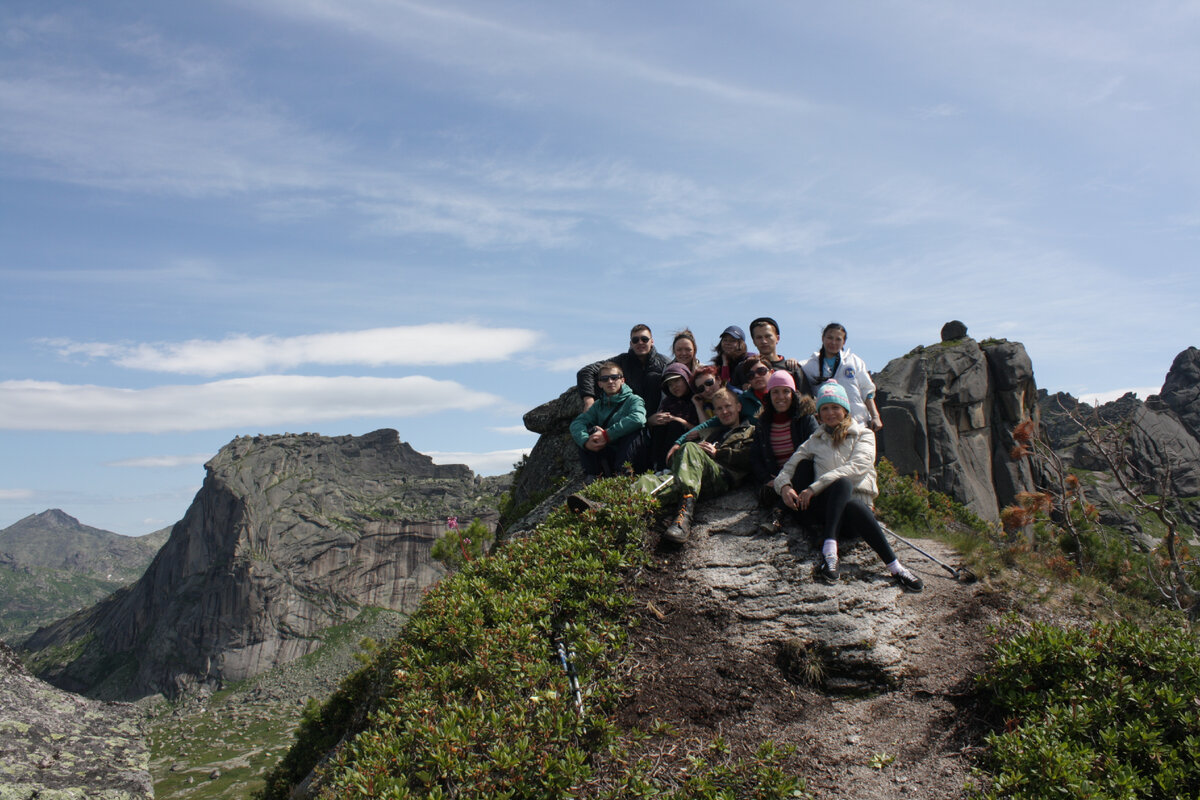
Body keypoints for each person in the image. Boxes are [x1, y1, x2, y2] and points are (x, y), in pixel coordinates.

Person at [772, 382, 923, 592]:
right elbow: (787, 469)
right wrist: (785, 487)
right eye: (824, 408)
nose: (830, 413)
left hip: (855, 516)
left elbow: (858, 467)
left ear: (845, 410)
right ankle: (830, 552)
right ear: (818, 414)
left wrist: (814, 488)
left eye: (835, 407)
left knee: (845, 487)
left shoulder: (864, 435)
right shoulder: (814, 441)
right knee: (807, 467)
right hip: (825, 511)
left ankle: (896, 567)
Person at [636, 388, 757, 545]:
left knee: (690, 447)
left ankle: (684, 516)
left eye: (728, 406)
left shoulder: (751, 431)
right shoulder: (712, 432)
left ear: (738, 407)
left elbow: (749, 457)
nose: (725, 411)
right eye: (719, 408)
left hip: (722, 475)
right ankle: (615, 505)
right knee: (647, 481)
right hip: (695, 476)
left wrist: (718, 453)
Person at [751, 370, 818, 534]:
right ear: (769, 396)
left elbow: (815, 451)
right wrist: (767, 479)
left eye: (785, 391)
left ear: (793, 394)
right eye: (775, 392)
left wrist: (786, 481)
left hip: (802, 476)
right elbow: (755, 457)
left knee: (805, 464)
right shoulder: (762, 423)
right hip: (775, 480)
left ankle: (778, 514)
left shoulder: (806, 419)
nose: (780, 397)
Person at [569, 362, 646, 478]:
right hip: (607, 452)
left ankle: (623, 475)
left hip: (631, 455)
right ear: (599, 384)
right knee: (589, 432)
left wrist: (606, 435)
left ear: (622, 380)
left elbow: (638, 419)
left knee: (635, 432)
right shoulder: (598, 405)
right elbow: (577, 423)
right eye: (605, 379)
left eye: (614, 377)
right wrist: (586, 442)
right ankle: (593, 476)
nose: (610, 381)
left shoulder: (634, 400)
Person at [800, 322, 882, 431]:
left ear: (844, 342)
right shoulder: (809, 366)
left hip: (858, 423)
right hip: (828, 428)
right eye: (830, 338)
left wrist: (875, 416)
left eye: (838, 339)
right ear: (823, 338)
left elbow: (867, 391)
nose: (833, 342)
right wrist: (791, 362)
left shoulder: (853, 361)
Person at [578, 324, 669, 415]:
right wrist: (589, 401)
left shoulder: (665, 363)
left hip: (658, 417)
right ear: (631, 344)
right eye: (635, 340)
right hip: (626, 418)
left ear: (652, 341)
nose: (640, 342)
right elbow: (587, 371)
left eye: (644, 339)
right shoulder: (621, 361)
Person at [735, 316, 816, 397]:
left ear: (777, 338)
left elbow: (806, 401)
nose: (764, 341)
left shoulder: (792, 368)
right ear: (754, 342)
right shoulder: (743, 368)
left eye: (768, 336)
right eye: (759, 337)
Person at [647, 362, 700, 470]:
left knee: (675, 424)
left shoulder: (697, 398)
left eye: (677, 381)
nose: (674, 386)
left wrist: (680, 421)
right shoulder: (668, 402)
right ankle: (657, 466)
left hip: (692, 441)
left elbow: (705, 428)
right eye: (670, 384)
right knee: (661, 424)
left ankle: (667, 466)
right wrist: (652, 421)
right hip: (667, 443)